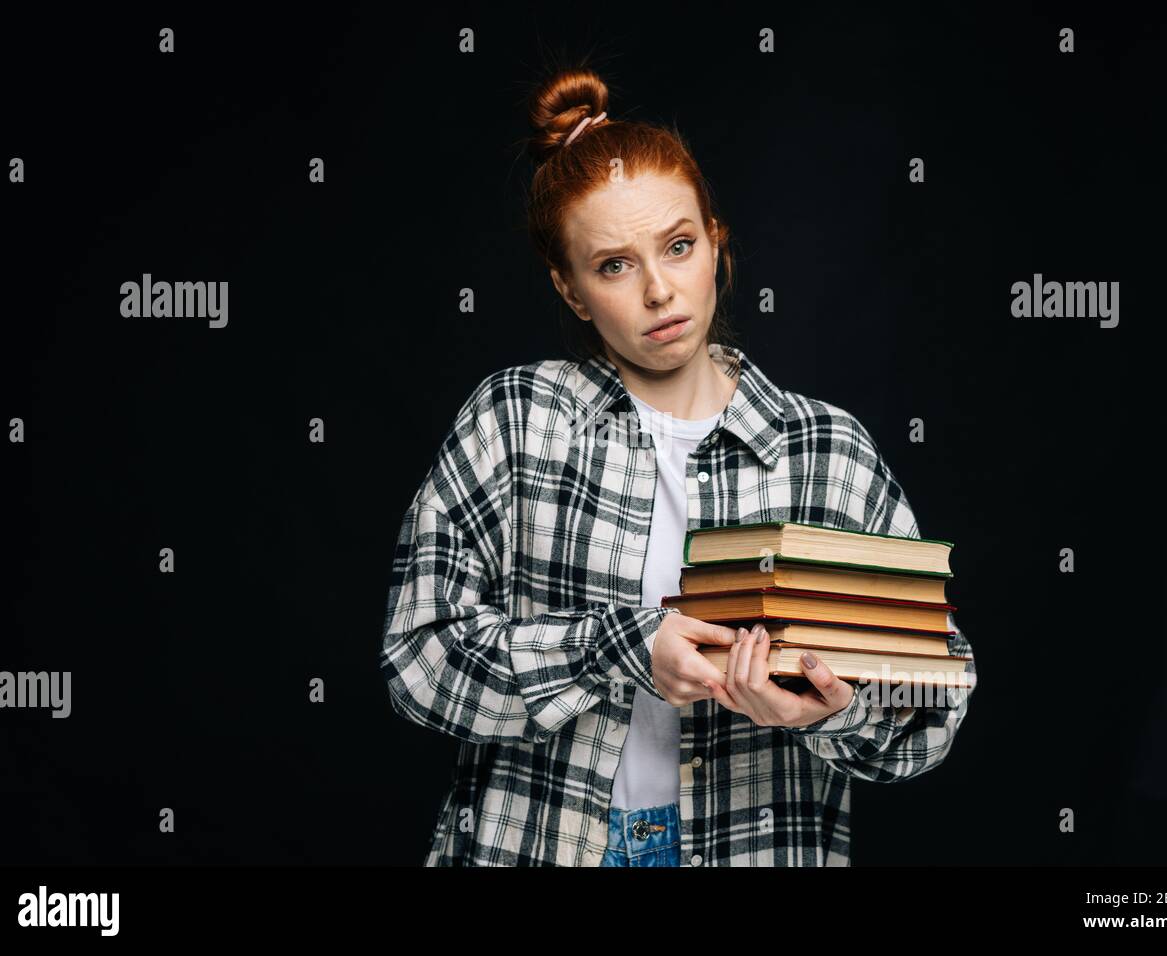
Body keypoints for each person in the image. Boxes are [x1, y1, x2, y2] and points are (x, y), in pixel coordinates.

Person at [379, 66, 977, 866]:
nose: (660, 289)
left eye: (679, 245)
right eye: (614, 265)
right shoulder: (517, 421)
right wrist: (620, 650)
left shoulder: (825, 451)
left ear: (716, 242)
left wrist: (829, 711)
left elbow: (934, 700)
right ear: (570, 288)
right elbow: (418, 660)